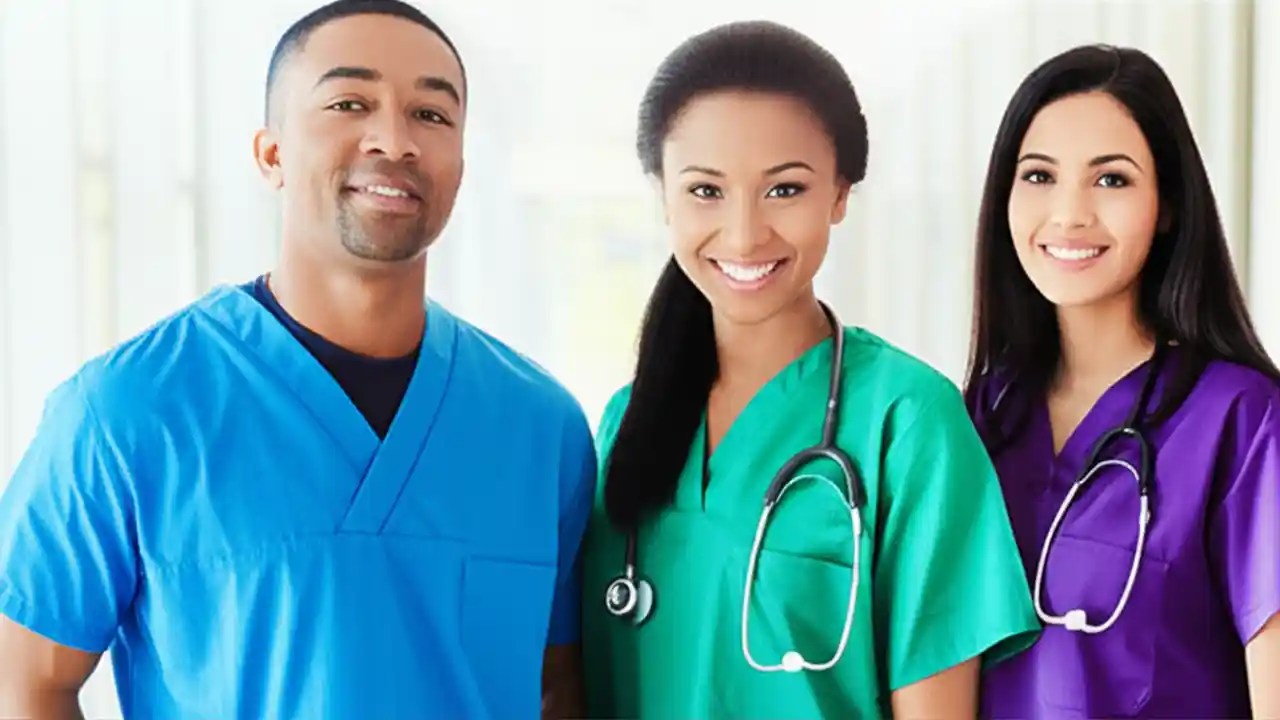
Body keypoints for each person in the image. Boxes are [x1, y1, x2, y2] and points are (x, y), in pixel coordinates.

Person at [0, 2, 594, 718]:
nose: (394, 139)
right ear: (272, 154)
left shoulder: (542, 429)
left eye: (431, 115)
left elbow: (558, 686)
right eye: (350, 102)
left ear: (460, 166)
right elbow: (26, 680)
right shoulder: (126, 410)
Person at [578, 20, 1040, 719]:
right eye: (706, 191)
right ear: (661, 193)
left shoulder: (907, 420)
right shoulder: (626, 420)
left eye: (784, 190)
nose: (743, 233)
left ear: (841, 193)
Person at [964, 44, 1280, 719]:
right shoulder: (978, 420)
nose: (1070, 214)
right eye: (1039, 175)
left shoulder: (1242, 421)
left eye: (1111, 180)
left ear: (1167, 205)